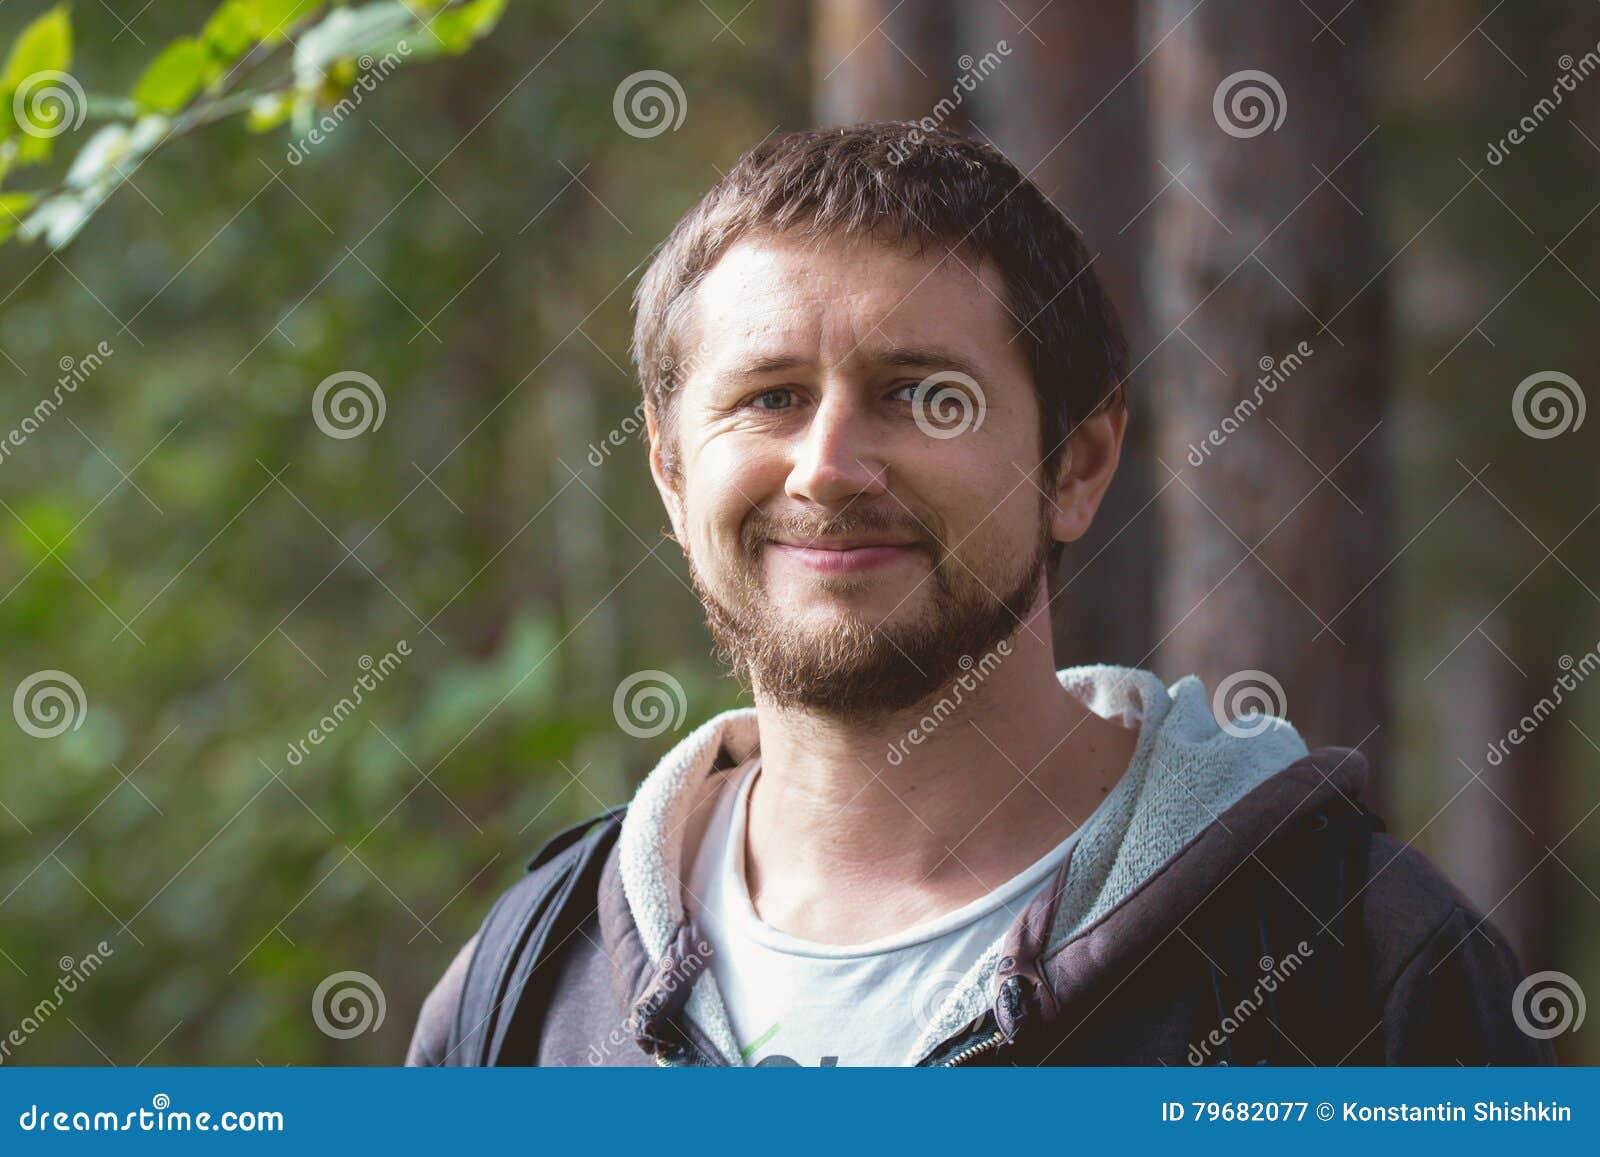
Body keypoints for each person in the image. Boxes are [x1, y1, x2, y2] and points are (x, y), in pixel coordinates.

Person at [407, 122, 1550, 1067]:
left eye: (921, 394)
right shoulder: (525, 986)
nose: (828, 466)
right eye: (768, 396)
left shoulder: (1363, 967)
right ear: (668, 472)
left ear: (1078, 462)